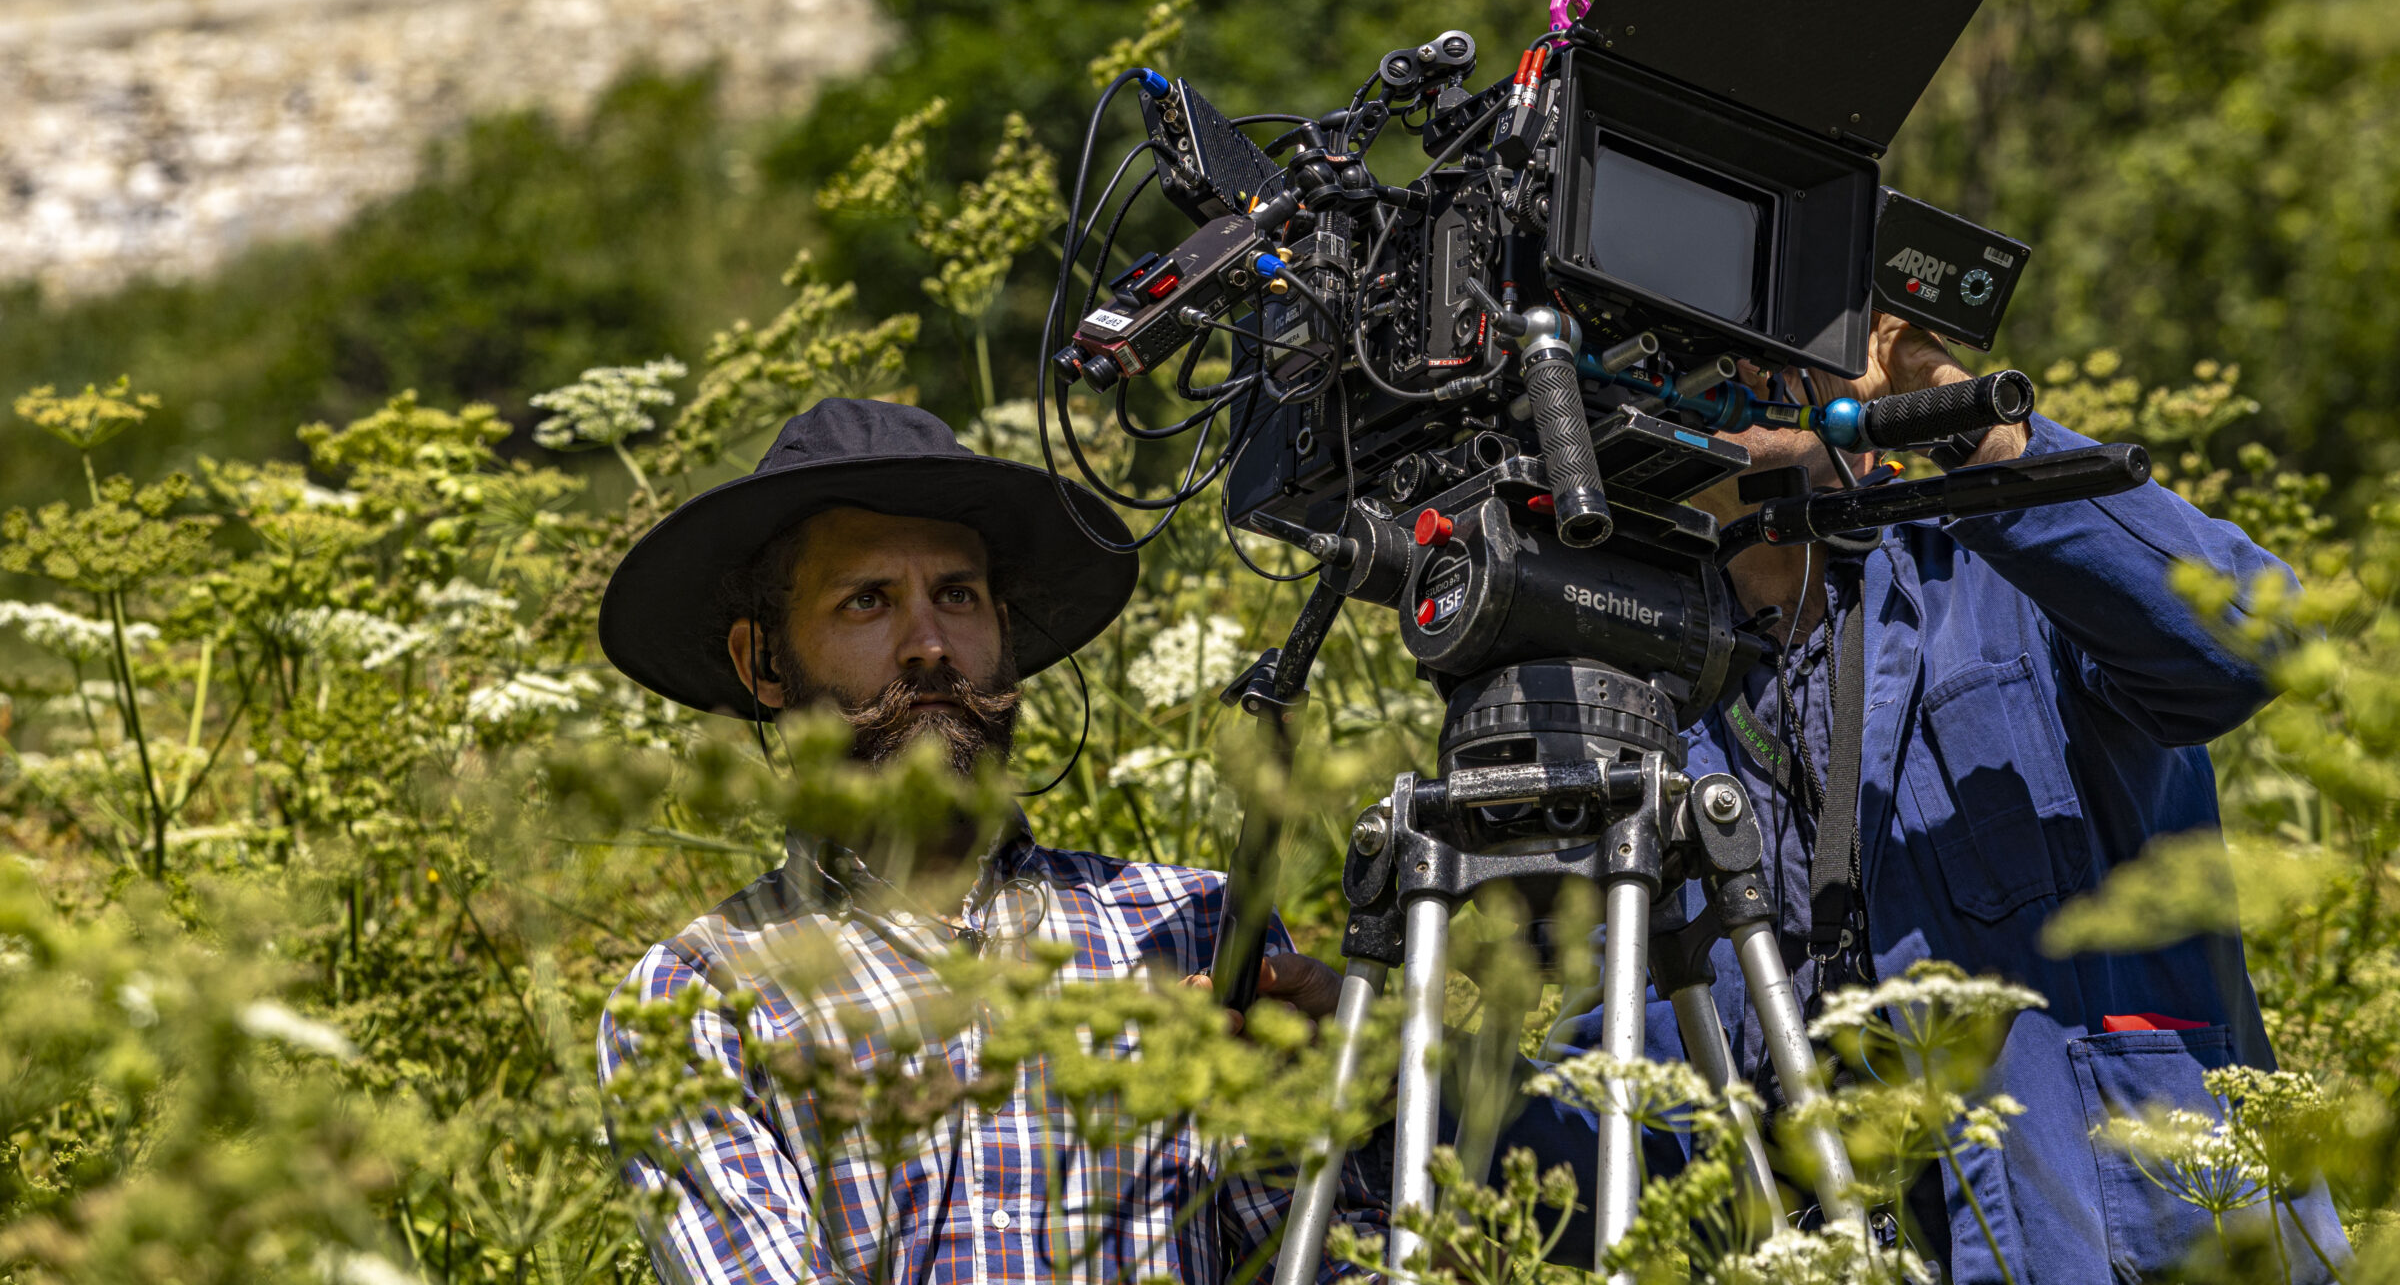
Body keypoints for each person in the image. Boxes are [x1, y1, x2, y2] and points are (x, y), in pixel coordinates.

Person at [1533, 313, 2343, 1282]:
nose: (1734, 362)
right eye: (1683, 338)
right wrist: (1391, 1077)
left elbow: (2253, 639)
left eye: (1769, 323)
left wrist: (1965, 425)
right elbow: (1643, 1146)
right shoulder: (1654, 730)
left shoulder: (2004, 571)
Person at [592, 397, 1377, 1285]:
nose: (929, 644)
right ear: (762, 664)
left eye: (957, 595)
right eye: (868, 601)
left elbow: (1334, 1256)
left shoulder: (1192, 925)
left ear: (1004, 627)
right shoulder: (700, 1001)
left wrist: (1371, 1087)